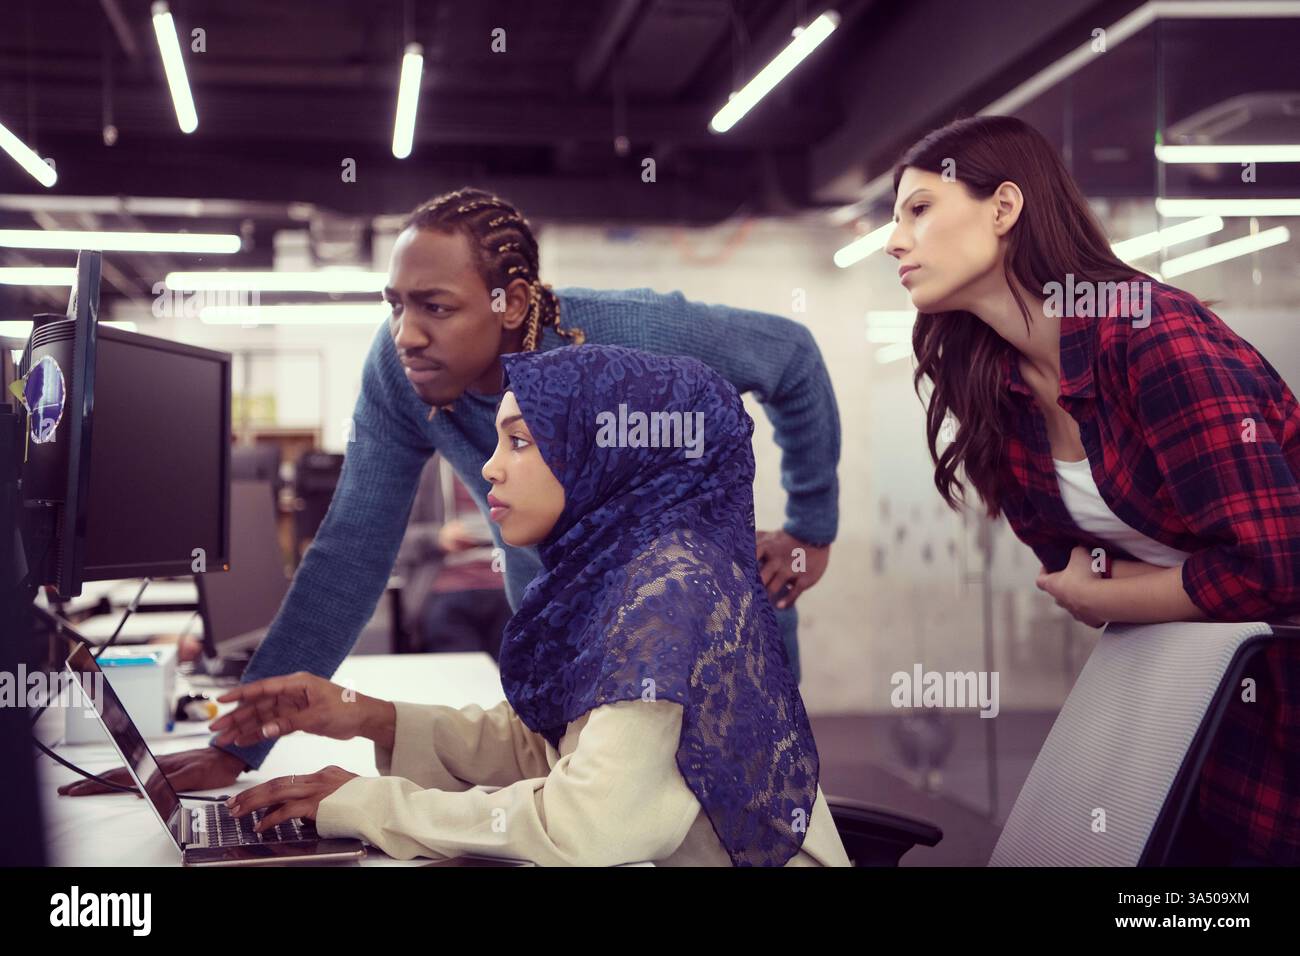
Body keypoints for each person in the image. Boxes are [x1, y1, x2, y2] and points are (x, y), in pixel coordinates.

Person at [58, 188, 841, 798]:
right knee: (580, 804)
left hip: (700, 636)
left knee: (704, 823)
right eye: (396, 305)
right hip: (559, 628)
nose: (406, 332)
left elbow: (795, 360)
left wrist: (809, 532)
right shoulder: (399, 373)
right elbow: (350, 553)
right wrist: (240, 743)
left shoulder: (629, 335)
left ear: (514, 303)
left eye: (436, 307)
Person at [210, 345, 851, 866]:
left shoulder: (672, 590)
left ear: (604, 453)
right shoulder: (618, 571)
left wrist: (368, 804)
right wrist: (369, 717)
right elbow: (550, 751)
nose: (490, 468)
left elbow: (591, 824)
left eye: (519, 442)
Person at [887, 114, 1300, 864]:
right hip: (1195, 691)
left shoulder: (1152, 336)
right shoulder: (999, 386)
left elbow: (1274, 567)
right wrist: (1122, 587)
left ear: (1004, 209)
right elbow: (1066, 562)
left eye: (918, 209)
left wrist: (1109, 598)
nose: (894, 241)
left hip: (1278, 691)